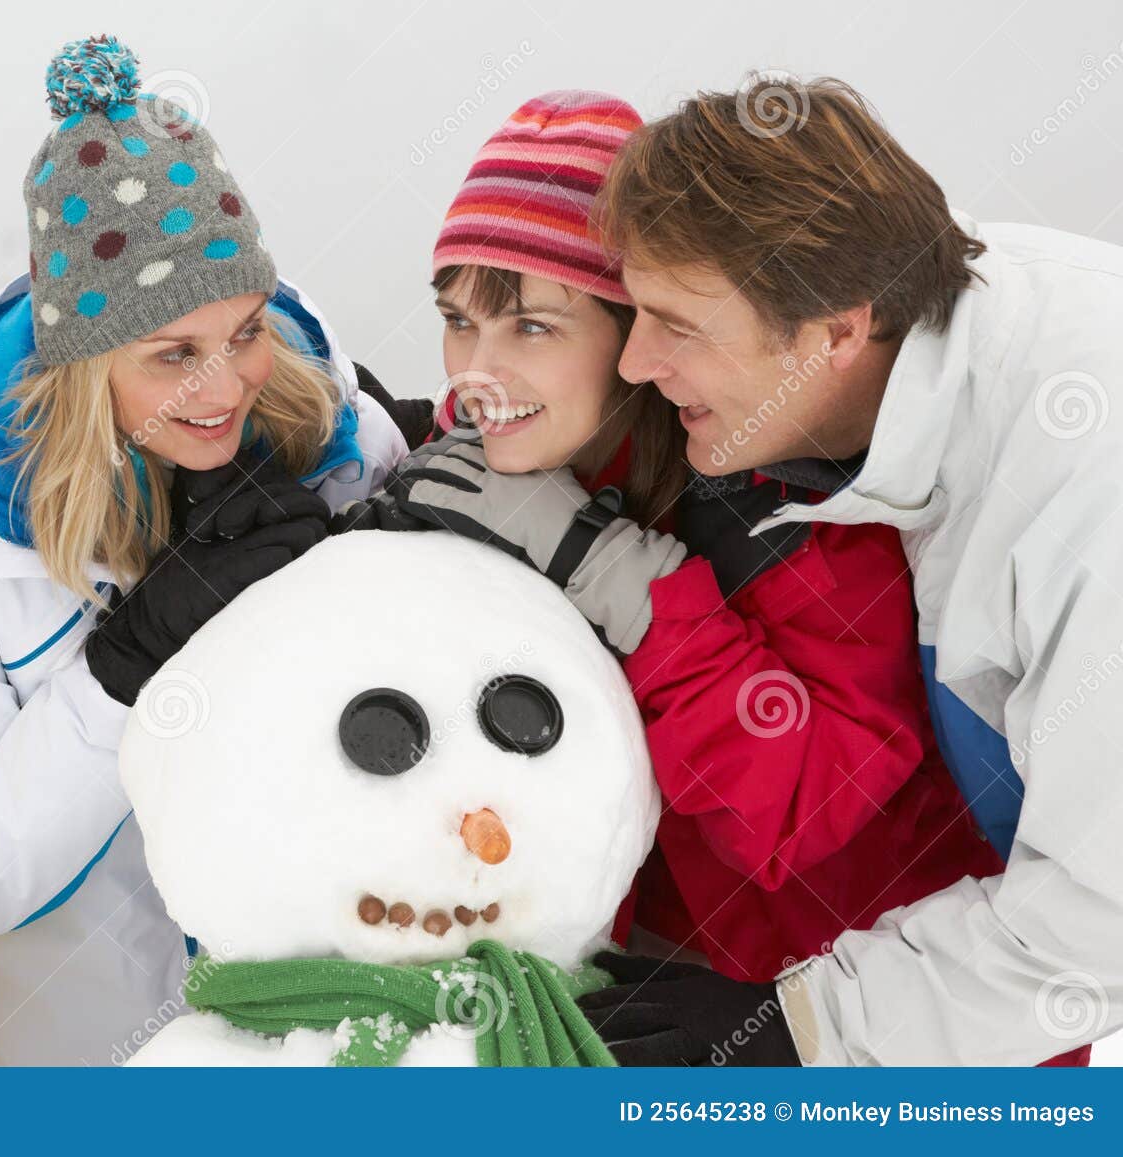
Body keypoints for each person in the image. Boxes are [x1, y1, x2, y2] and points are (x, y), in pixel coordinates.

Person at [347, 88, 1087, 1066]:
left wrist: (624, 584)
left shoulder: (797, 499)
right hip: (671, 991)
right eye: (455, 322)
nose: (476, 373)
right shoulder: (521, 447)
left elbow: (811, 810)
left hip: (901, 1034)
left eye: (532, 326)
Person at [0, 35, 408, 1065]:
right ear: (83, 362)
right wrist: (128, 665)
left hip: (313, 1037)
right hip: (80, 1060)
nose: (227, 387)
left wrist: (355, 580)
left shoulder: (338, 447)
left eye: (245, 330)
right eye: (172, 357)